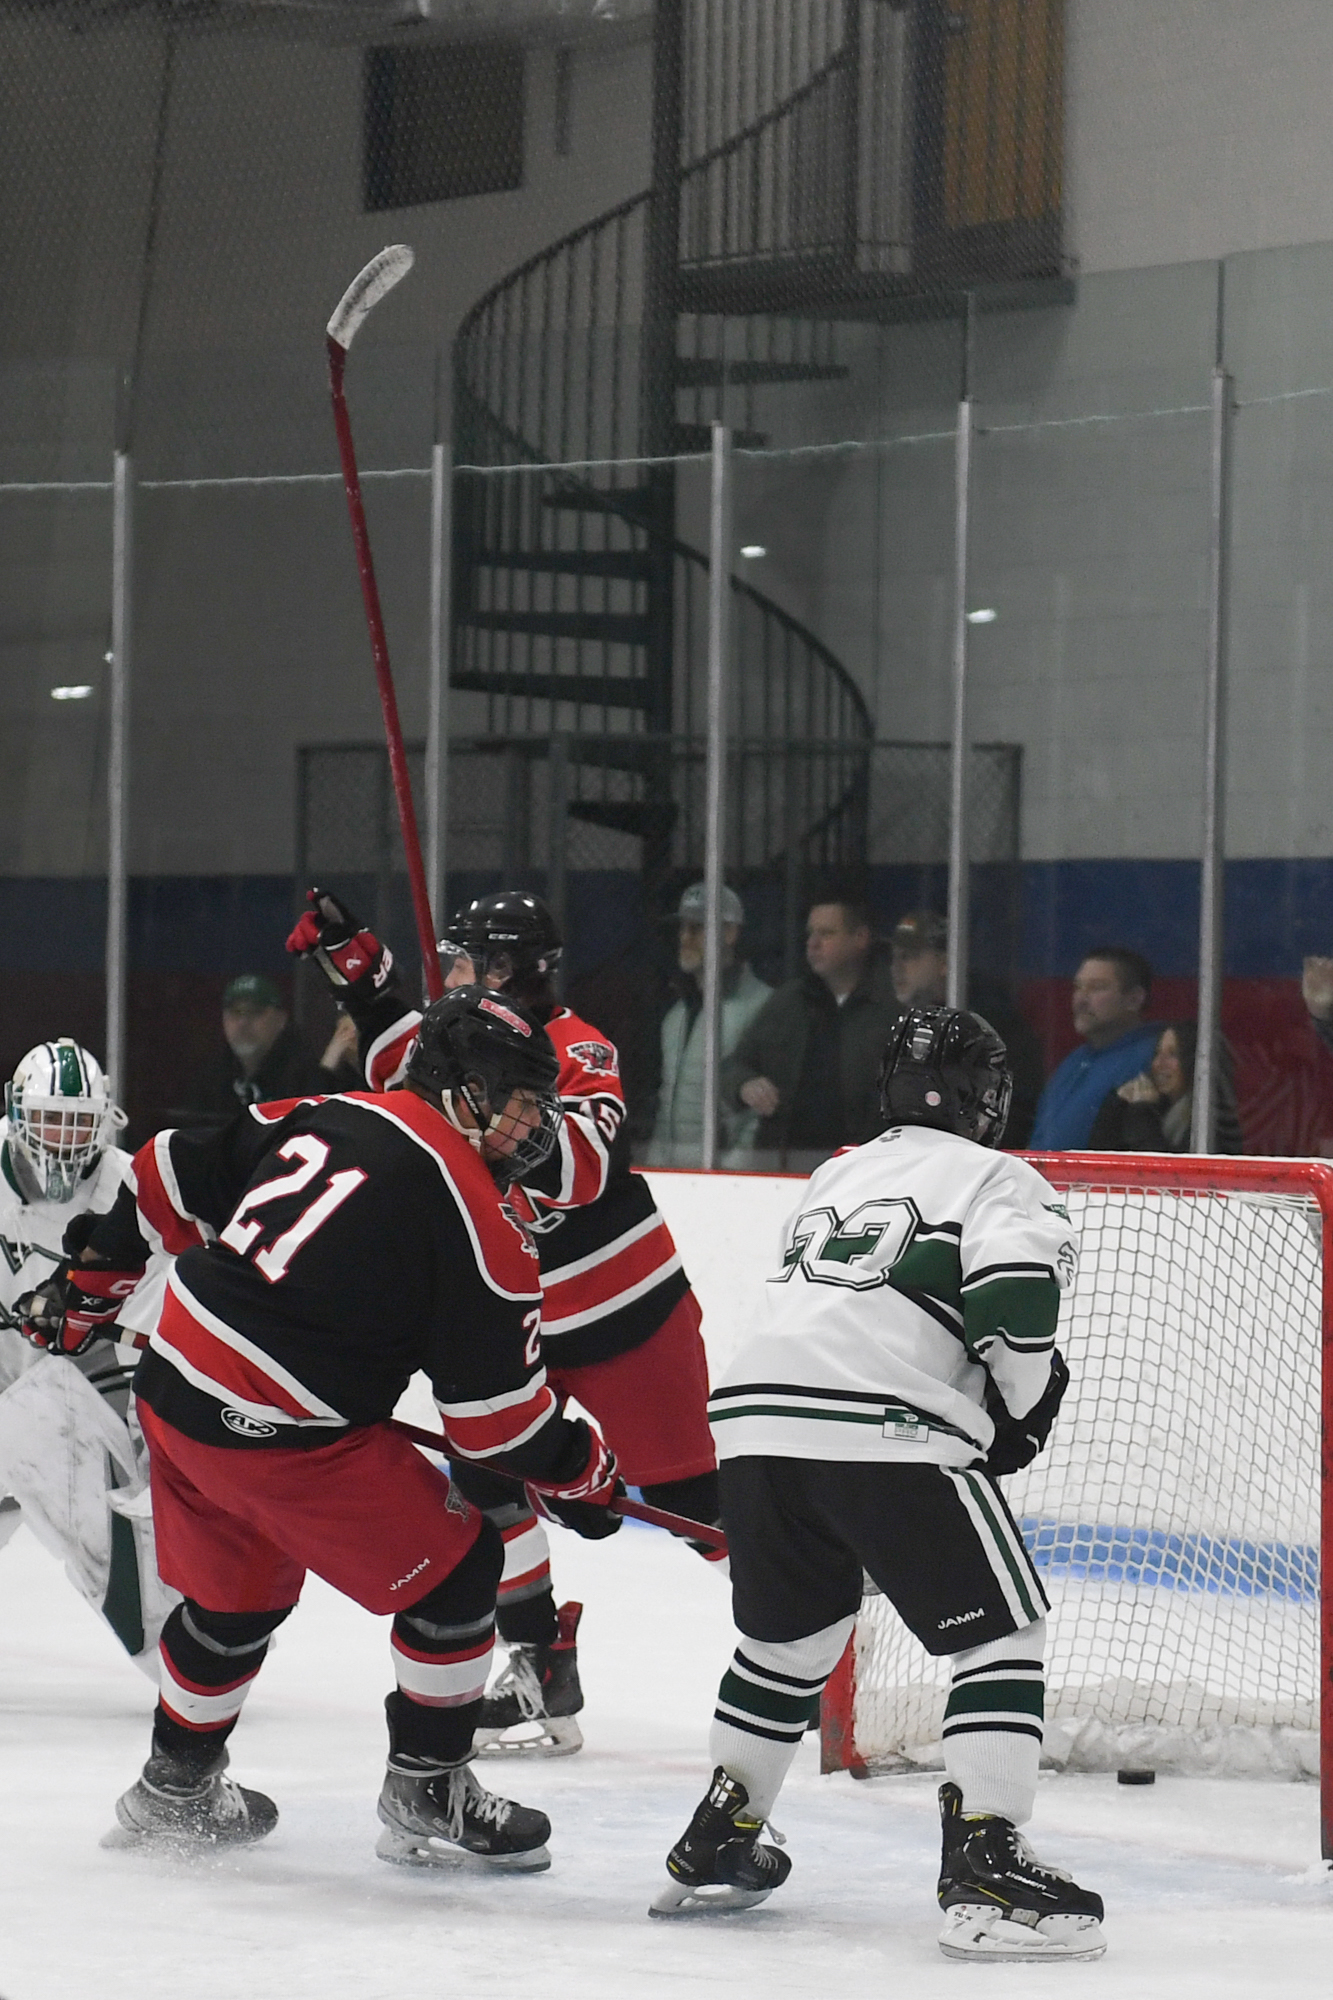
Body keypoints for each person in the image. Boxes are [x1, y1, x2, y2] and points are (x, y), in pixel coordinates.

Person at [34, 987, 622, 1863]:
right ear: (461, 1090)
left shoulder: (333, 1109)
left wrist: (94, 1283)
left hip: (175, 1385)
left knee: (235, 1597)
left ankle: (173, 1789)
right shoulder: (480, 1220)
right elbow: (495, 1431)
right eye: (520, 1100)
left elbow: (164, 1169)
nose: (534, 1123)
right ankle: (428, 1786)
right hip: (280, 1432)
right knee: (459, 1573)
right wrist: (581, 1469)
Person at [653, 1008, 1105, 1962]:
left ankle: (724, 1827)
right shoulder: (997, 1176)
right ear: (986, 1097)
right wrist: (1022, 1404)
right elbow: (1014, 1302)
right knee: (1001, 1631)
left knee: (788, 1643)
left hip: (754, 1428)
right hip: (885, 1424)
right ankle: (986, 1857)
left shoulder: (839, 1170)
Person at [288, 886, 721, 1759]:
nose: (449, 975)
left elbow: (586, 1168)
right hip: (513, 1313)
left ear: (506, 968)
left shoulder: (578, 1045)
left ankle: (815, 1634)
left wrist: (500, 1104)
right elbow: (396, 1064)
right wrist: (362, 979)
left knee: (689, 1500)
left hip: (624, 1313)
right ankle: (539, 1667)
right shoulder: (457, 1040)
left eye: (463, 962)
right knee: (485, 1477)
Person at [1, 1039, 172, 1669]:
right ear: (16, 1114)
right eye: (49, 1119)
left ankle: (182, 1662)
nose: (62, 1138)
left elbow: (158, 1305)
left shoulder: (129, 1187)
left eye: (77, 1122)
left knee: (126, 1544)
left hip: (89, 1386)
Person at [722, 898, 900, 1164]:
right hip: (786, 1169)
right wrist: (745, 1084)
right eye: (810, 934)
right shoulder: (789, 1002)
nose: (813, 943)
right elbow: (733, 1066)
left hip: (865, 1168)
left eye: (826, 933)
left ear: (860, 938)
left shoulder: (892, 1008)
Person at [887, 911, 1044, 1148]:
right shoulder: (900, 1024)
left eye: (909, 957)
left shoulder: (991, 1027)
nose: (896, 968)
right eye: (894, 957)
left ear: (944, 963)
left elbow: (1013, 1110)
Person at [645, 882, 773, 1166]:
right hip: (676, 1176)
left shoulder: (762, 1006)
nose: (684, 937)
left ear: (730, 933)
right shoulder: (676, 1016)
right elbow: (667, 1105)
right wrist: (655, 1166)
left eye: (697, 928)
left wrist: (733, 1173)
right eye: (682, 928)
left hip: (730, 1180)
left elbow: (762, 1111)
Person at [1028, 948, 1159, 1151]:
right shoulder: (1074, 1061)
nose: (1080, 999)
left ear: (1134, 999)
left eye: (1097, 988)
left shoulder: (1153, 1058)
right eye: (1078, 987)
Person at [187, 972, 354, 1120]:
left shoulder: (300, 1074)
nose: (243, 1022)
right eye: (235, 1013)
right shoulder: (210, 1078)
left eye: (255, 1012)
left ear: (280, 1019)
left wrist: (324, 1074)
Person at [1087, 1020, 1243, 1153]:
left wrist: (1142, 1111)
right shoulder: (1159, 1109)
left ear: (1195, 1062)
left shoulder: (1212, 1123)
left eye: (1172, 1054)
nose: (1158, 1063)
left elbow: (1165, 1172)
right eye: (1157, 1053)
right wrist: (1117, 1104)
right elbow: (1101, 1156)